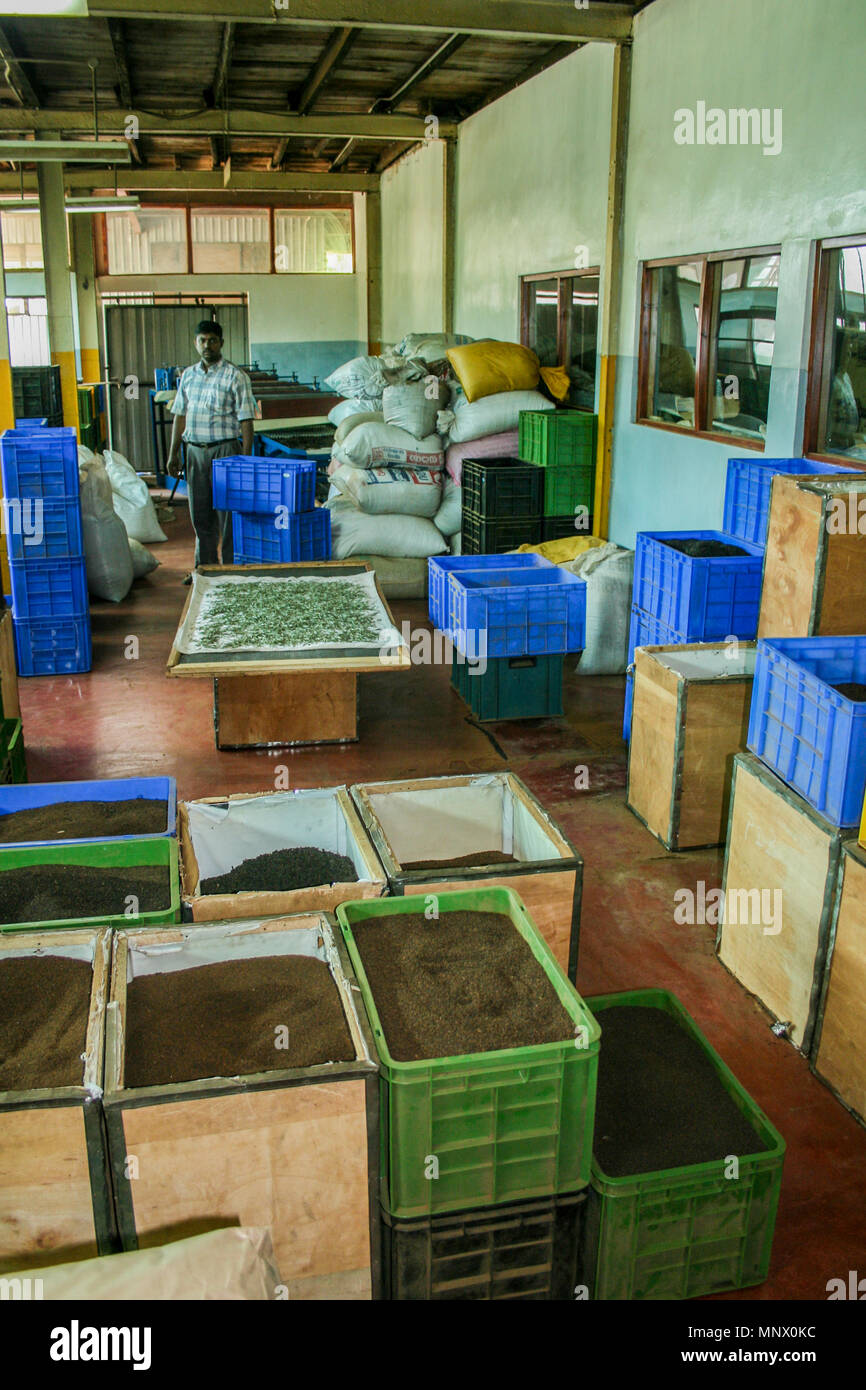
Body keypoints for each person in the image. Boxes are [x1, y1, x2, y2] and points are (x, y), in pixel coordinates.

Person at [166, 321, 256, 580]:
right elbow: (179, 415)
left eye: (213, 340)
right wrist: (174, 452)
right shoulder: (188, 376)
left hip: (225, 451)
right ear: (196, 343)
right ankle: (204, 569)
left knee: (227, 515)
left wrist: (245, 460)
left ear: (221, 343)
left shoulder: (235, 376)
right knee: (200, 513)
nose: (207, 345)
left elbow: (247, 420)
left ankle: (228, 570)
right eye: (202, 340)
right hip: (194, 451)